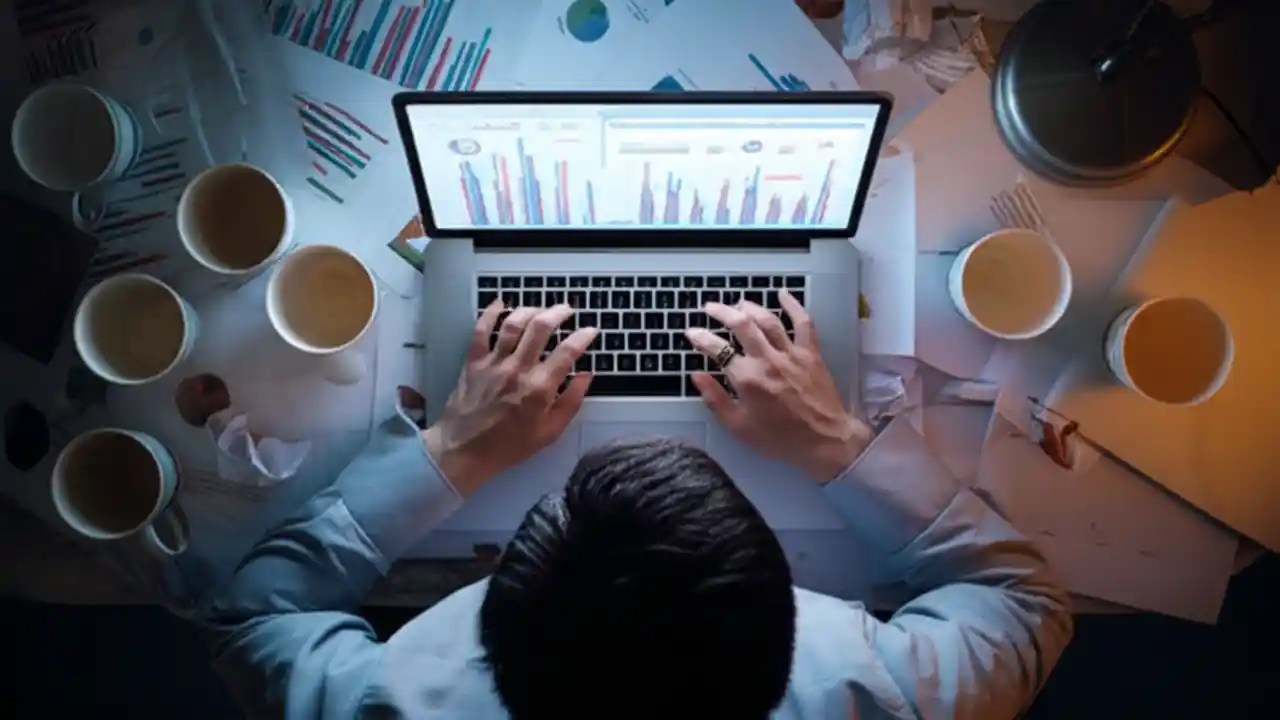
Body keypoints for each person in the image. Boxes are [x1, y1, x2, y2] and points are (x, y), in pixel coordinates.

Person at [202, 293, 1073, 719]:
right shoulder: (871, 691)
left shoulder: (392, 703)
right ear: (787, 626)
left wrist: (455, 452)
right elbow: (1024, 606)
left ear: (492, 634)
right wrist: (833, 443)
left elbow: (249, 620)